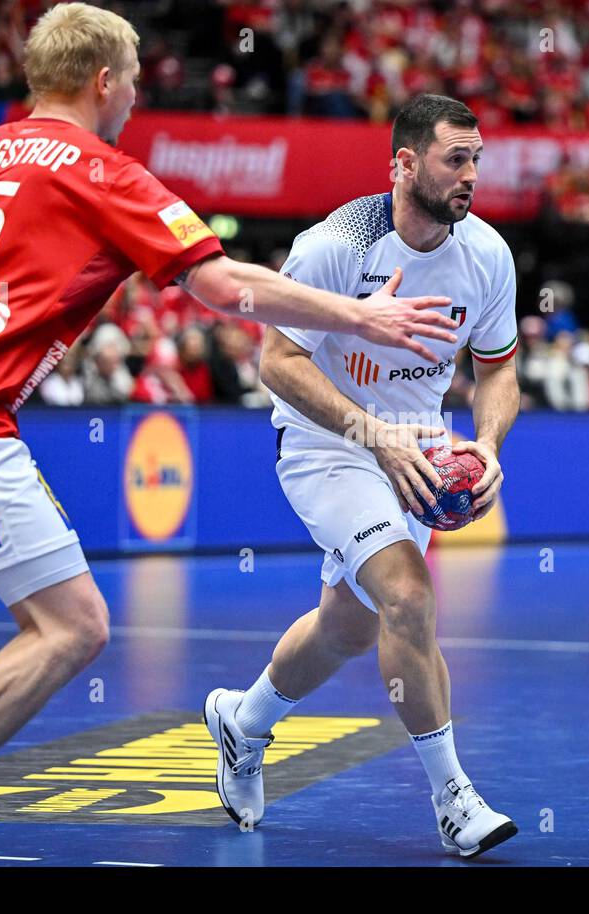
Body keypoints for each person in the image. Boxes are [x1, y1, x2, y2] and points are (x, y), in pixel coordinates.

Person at [0, 2, 455, 868]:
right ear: (103, 81)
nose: (131, 102)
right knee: (72, 626)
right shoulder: (100, 170)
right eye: (130, 84)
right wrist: (358, 314)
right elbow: (225, 285)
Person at [204, 94, 520, 858]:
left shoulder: (489, 255)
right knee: (407, 598)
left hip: (416, 449)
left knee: (349, 626)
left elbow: (500, 365)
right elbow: (276, 363)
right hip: (330, 442)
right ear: (404, 164)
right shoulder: (337, 245)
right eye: (455, 159)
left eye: (477, 159)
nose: (471, 175)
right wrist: (371, 435)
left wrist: (486, 443)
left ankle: (242, 725)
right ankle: (453, 799)